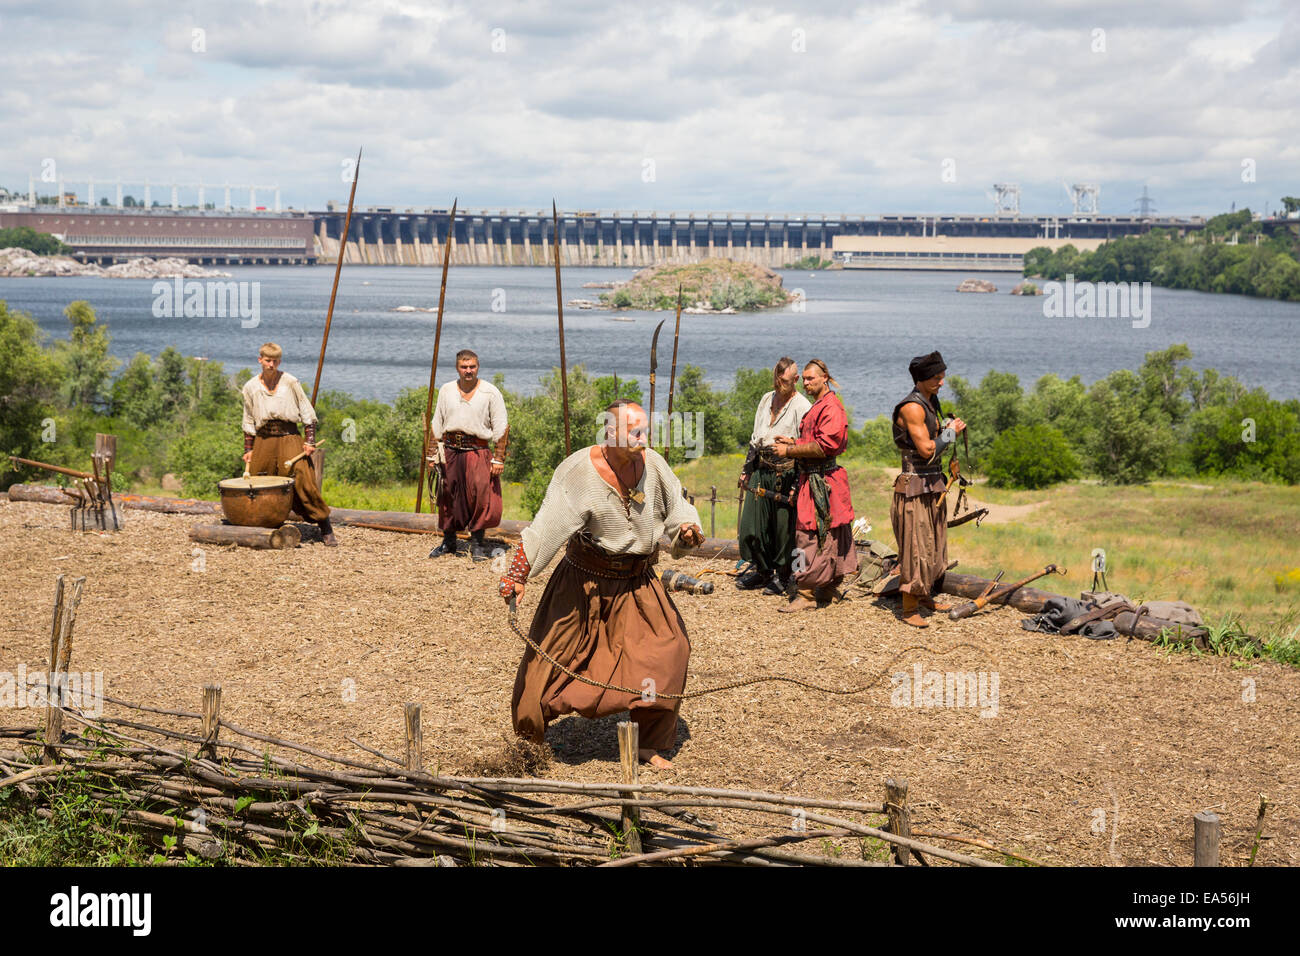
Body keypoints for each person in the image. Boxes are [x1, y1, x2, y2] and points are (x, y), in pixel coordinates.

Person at [501, 400, 704, 768]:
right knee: (551, 659)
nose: (645, 437)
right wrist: (517, 574)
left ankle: (647, 742)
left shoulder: (653, 464)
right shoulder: (579, 471)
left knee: (671, 649)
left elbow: (678, 507)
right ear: (610, 433)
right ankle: (528, 740)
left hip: (637, 580)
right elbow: (546, 526)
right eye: (635, 431)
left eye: (647, 429)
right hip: (583, 582)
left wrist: (687, 531)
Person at [770, 359, 858, 612]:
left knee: (809, 536)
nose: (806, 383)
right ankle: (824, 587)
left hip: (823, 482)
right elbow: (814, 439)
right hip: (814, 479)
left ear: (825, 377)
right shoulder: (820, 405)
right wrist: (794, 441)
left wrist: (789, 450)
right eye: (804, 379)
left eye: (811, 378)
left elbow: (824, 446)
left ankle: (807, 593)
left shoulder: (832, 407)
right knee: (817, 534)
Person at [891, 350, 966, 627]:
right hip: (914, 488)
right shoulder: (912, 407)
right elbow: (925, 450)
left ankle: (925, 596)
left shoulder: (930, 401)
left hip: (932, 485)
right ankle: (909, 607)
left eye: (942, 377)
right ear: (922, 379)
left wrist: (944, 429)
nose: (942, 382)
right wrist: (951, 433)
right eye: (936, 378)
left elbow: (933, 438)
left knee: (933, 543)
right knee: (915, 546)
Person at [240, 342, 336, 546]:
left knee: (302, 477)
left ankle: (325, 526)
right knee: (257, 481)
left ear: (279, 361)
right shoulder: (250, 387)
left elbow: (306, 411)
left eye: (275, 361)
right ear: (260, 360)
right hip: (263, 439)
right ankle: (262, 524)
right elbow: (248, 418)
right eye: (267, 360)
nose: (271, 365)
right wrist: (248, 449)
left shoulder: (290, 381)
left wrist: (309, 440)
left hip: (289, 436)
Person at [736, 357, 811, 594]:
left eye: (785, 382)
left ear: (796, 380)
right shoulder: (766, 399)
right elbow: (755, 438)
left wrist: (796, 485)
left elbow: (806, 446)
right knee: (752, 527)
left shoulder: (802, 406)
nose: (780, 386)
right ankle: (762, 571)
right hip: (761, 467)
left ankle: (783, 575)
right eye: (777, 381)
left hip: (787, 471)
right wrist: (747, 470)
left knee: (782, 529)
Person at [427, 350, 509, 561]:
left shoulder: (490, 392)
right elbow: (437, 423)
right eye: (464, 367)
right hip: (450, 451)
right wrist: (430, 455)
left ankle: (478, 544)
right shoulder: (446, 390)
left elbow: (501, 426)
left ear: (478, 367)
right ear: (457, 368)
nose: (468, 371)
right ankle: (449, 541)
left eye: (472, 366)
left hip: (478, 451)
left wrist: (499, 457)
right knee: (447, 496)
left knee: (480, 497)